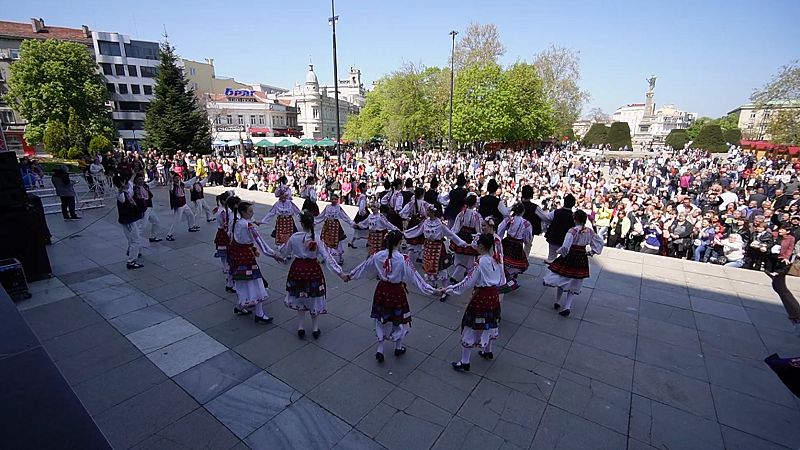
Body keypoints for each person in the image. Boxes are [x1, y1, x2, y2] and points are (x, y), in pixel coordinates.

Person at [343, 230, 436, 362]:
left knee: (382, 318)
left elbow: (363, 267)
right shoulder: (404, 259)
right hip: (397, 292)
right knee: (400, 319)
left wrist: (350, 276)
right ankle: (398, 346)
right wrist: (431, 290)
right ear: (399, 242)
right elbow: (416, 278)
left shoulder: (378, 255)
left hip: (382, 290)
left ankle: (380, 348)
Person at [440, 234, 505, 372]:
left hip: (481, 296)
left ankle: (465, 362)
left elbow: (466, 283)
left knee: (471, 326)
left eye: (476, 243)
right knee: (490, 322)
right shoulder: (496, 260)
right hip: (493, 296)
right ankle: (488, 350)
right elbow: (500, 280)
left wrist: (448, 289)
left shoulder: (479, 262)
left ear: (481, 246)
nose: (474, 245)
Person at [279, 212, 343, 339]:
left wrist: (280, 248)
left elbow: (284, 252)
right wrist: (340, 273)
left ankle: (301, 327)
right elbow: (327, 257)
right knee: (314, 297)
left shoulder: (294, 237)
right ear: (313, 223)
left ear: (301, 224)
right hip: (313, 270)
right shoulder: (317, 238)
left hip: (297, 269)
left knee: (300, 296)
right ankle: (315, 328)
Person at [543, 209, 604, 317]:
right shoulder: (589, 231)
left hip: (570, 256)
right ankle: (567, 306)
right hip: (581, 257)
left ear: (575, 219)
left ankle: (557, 301)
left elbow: (566, 246)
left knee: (561, 276)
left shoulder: (572, 231)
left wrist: (560, 252)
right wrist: (592, 252)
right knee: (575, 281)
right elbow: (599, 242)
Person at [229, 201, 282, 323]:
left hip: (238, 255)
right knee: (256, 282)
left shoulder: (235, 222)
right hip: (247, 256)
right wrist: (273, 255)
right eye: (250, 212)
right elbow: (260, 242)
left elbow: (231, 237)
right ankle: (259, 313)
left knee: (243, 282)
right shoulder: (248, 226)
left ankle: (240, 306)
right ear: (243, 212)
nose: (253, 214)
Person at [404, 204, 467, 300]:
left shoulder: (440, 224)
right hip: (428, 247)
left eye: (429, 211)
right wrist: (406, 233)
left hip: (438, 248)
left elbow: (451, 234)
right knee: (428, 267)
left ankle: (445, 290)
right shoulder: (425, 222)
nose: (427, 212)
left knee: (441, 269)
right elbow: (417, 230)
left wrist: (461, 242)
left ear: (433, 212)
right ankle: (433, 287)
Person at [497, 203, 533, 293]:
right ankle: (509, 281)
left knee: (503, 261)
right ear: (523, 211)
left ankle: (505, 280)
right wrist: (527, 242)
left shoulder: (509, 219)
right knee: (514, 264)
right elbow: (527, 237)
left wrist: (499, 238)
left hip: (507, 241)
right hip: (517, 244)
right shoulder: (526, 223)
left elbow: (499, 228)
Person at [114, 174, 144, 270]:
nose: (128, 184)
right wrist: (121, 188)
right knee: (135, 240)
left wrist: (133, 174)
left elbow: (130, 182)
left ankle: (131, 253)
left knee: (133, 239)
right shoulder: (122, 195)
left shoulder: (127, 192)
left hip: (131, 219)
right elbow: (120, 195)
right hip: (128, 220)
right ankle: (131, 261)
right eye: (125, 183)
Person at [448, 194, 481, 281]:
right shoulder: (477, 215)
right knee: (469, 260)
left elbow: (456, 227)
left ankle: (456, 276)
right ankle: (464, 278)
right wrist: (478, 238)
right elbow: (478, 230)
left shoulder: (461, 213)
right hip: (471, 237)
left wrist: (453, 237)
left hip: (461, 236)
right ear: (474, 204)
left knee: (459, 258)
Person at [315, 193, 354, 265]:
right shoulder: (327, 207)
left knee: (338, 242)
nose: (333, 200)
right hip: (327, 226)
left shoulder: (339, 208)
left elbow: (344, 216)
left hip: (335, 227)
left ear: (338, 200)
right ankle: (325, 256)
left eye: (335, 199)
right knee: (325, 242)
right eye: (332, 199)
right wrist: (314, 221)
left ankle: (340, 258)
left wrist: (351, 223)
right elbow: (322, 215)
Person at [261, 177, 301, 245]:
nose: (283, 197)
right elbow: (271, 213)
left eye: (284, 195)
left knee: (288, 235)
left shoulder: (288, 203)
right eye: (281, 195)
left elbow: (298, 212)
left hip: (287, 220)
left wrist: (304, 219)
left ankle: (287, 247)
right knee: (281, 235)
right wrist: (263, 221)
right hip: (282, 220)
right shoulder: (280, 203)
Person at [215, 193, 238, 293]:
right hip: (226, 236)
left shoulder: (223, 210)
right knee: (229, 259)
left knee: (227, 258)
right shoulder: (224, 212)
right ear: (224, 201)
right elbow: (226, 226)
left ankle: (229, 280)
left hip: (223, 234)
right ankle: (230, 281)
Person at [166, 172, 199, 241]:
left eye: (178, 178)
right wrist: (171, 179)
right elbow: (171, 187)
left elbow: (189, 183)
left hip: (184, 203)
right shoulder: (172, 186)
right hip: (178, 205)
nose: (177, 179)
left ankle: (191, 227)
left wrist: (196, 177)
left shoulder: (182, 184)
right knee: (177, 221)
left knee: (191, 215)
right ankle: (169, 235)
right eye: (175, 178)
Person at [400, 187, 429, 264]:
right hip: (422, 224)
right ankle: (411, 260)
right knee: (419, 243)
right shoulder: (425, 204)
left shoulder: (411, 203)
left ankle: (413, 258)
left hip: (413, 223)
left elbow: (402, 213)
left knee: (413, 243)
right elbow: (428, 215)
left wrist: (408, 218)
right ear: (423, 194)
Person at [544, 194, 576, 262]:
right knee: (564, 258)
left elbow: (547, 217)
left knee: (551, 257)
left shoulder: (556, 212)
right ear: (573, 204)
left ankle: (549, 270)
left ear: (564, 202)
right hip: (565, 239)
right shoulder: (574, 216)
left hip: (553, 236)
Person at [132, 174, 163, 243]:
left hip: (149, 207)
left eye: (142, 179)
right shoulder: (134, 189)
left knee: (156, 222)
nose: (141, 181)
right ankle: (135, 244)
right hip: (142, 209)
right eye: (139, 179)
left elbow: (152, 184)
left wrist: (156, 178)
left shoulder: (146, 186)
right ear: (136, 180)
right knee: (142, 227)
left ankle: (153, 236)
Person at [348, 183, 370, 249]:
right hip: (363, 214)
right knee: (367, 227)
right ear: (363, 188)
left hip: (362, 213)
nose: (367, 187)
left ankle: (367, 242)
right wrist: (363, 213)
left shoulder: (362, 196)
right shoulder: (363, 196)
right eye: (366, 186)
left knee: (363, 229)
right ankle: (368, 242)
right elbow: (362, 206)